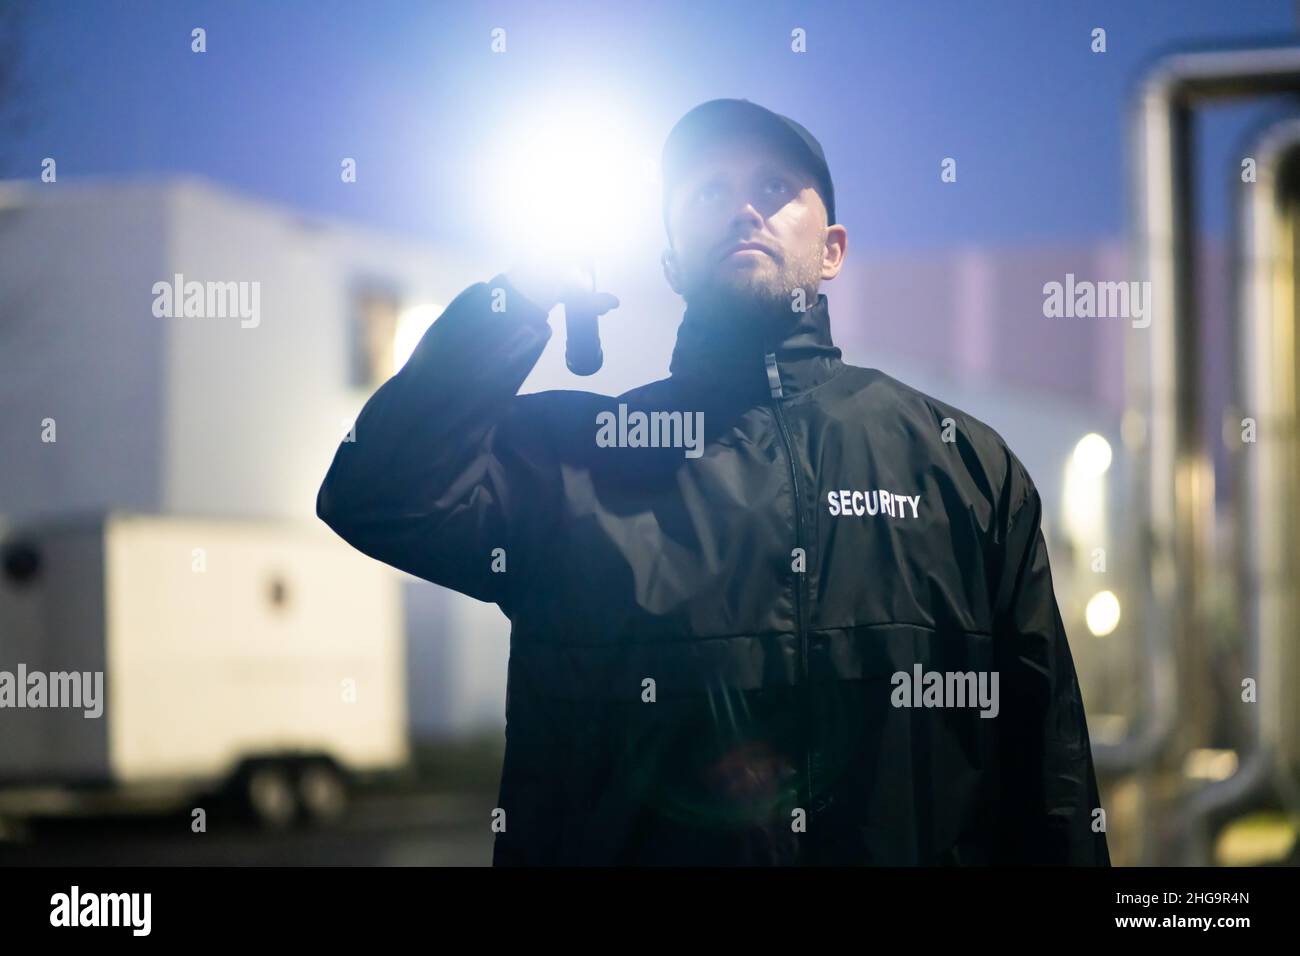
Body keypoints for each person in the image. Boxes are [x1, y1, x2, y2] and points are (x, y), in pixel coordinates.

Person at [316, 98, 1111, 866]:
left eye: (772, 187)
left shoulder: (961, 467)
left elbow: (1051, 779)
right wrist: (511, 302)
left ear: (833, 249)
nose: (742, 209)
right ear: (670, 261)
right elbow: (380, 493)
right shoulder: (572, 458)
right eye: (708, 192)